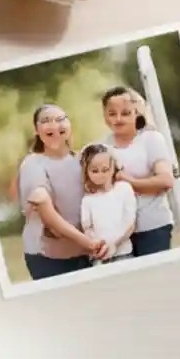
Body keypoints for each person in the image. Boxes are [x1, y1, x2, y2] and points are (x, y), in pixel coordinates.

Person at [16, 103, 108, 279]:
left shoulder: (83, 160)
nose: (54, 125)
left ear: (69, 125)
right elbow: (49, 217)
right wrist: (89, 243)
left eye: (60, 119)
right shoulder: (33, 164)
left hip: (85, 254)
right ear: (36, 130)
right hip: (47, 257)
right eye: (46, 121)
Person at [99, 85, 177, 256]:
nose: (118, 119)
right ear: (105, 116)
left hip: (153, 227)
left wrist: (129, 182)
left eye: (126, 113)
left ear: (137, 113)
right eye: (112, 114)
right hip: (119, 235)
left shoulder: (151, 139)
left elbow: (166, 181)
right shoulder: (102, 149)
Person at [78, 143, 136, 264]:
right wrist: (98, 246)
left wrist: (114, 244)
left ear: (113, 168)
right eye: (95, 171)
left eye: (105, 170)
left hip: (123, 253)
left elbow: (130, 223)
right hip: (99, 257)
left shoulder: (124, 189)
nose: (101, 175)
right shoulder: (88, 200)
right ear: (86, 172)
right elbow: (88, 228)